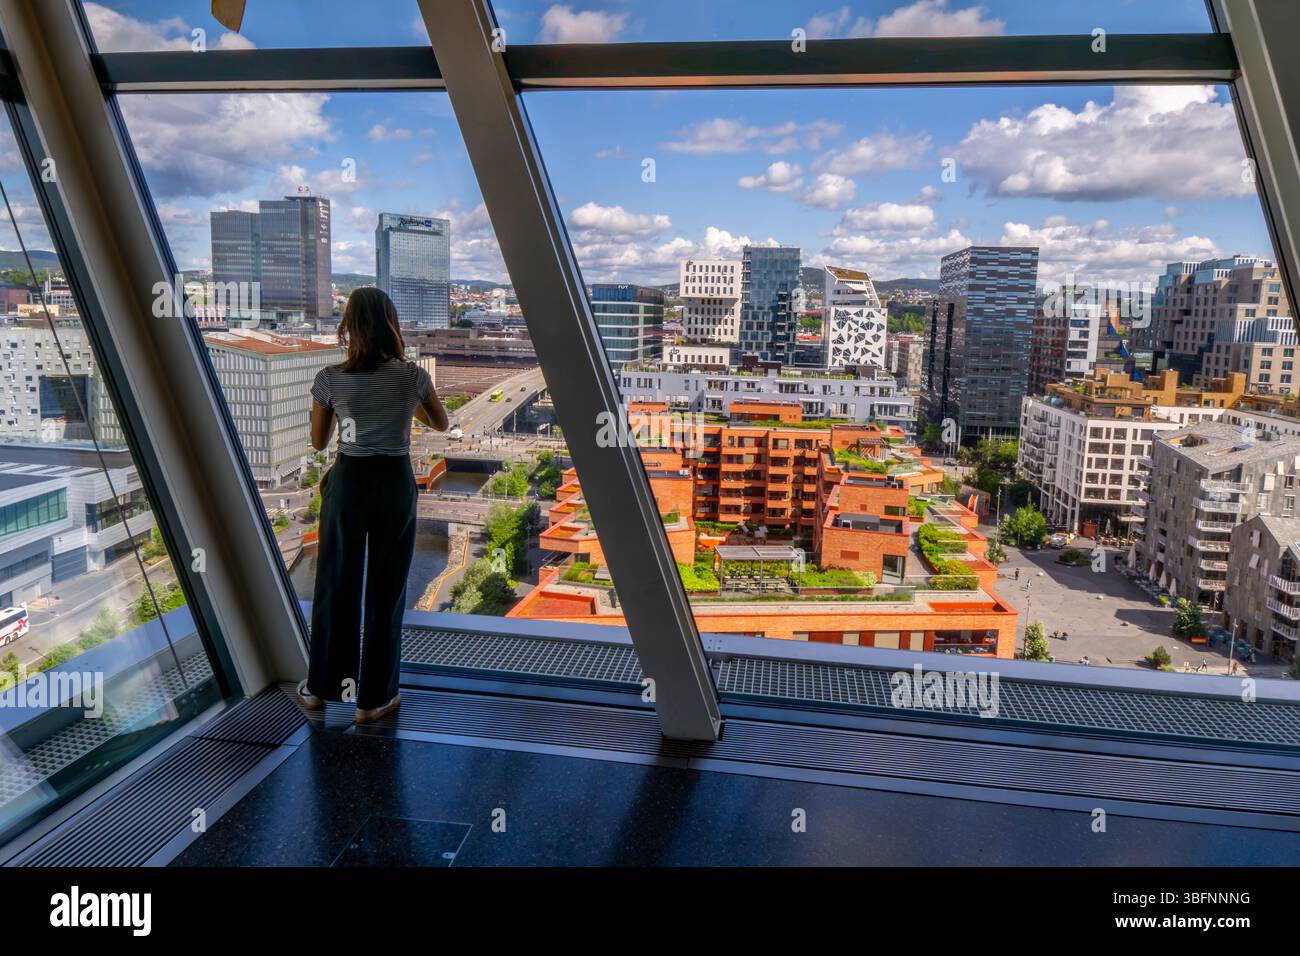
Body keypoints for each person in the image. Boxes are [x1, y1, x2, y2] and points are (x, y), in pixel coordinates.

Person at [296, 288, 449, 722]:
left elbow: (319, 441)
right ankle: (374, 699)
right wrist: (402, 408)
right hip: (394, 481)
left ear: (349, 326)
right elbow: (439, 421)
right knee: (387, 589)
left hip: (349, 481)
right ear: (391, 324)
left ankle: (323, 688)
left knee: (335, 583)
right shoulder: (412, 377)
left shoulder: (330, 378)